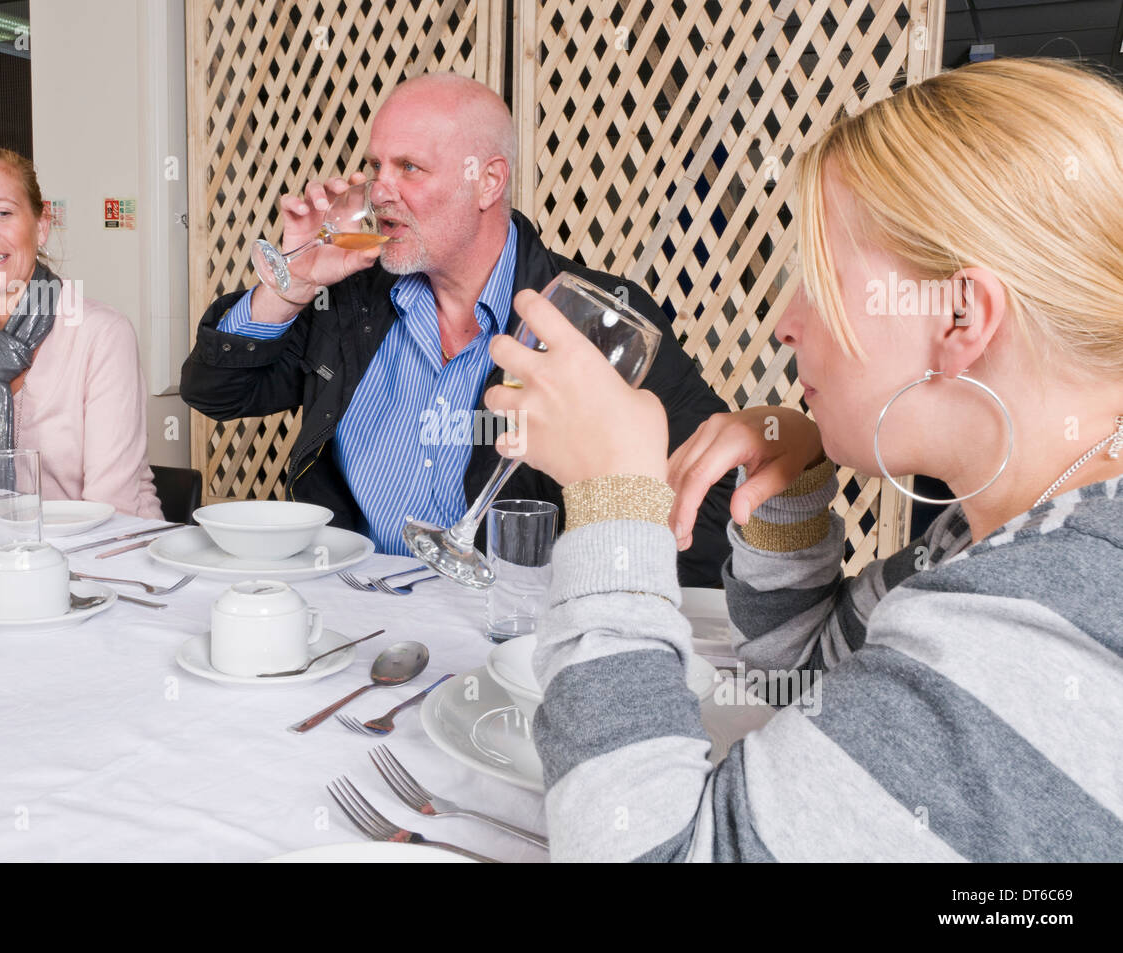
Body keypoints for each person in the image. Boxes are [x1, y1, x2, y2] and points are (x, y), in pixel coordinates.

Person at [484, 57, 1123, 861]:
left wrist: (613, 503)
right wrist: (792, 496)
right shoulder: (1000, 532)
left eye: (820, 281)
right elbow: (815, 682)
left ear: (961, 315)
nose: (787, 322)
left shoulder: (1040, 623)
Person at [179, 73, 733, 586]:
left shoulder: (594, 316)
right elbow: (216, 392)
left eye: (409, 168)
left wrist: (579, 587)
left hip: (509, 632)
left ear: (487, 181)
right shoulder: (347, 297)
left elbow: (711, 501)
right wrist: (291, 285)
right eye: (376, 167)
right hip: (356, 610)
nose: (378, 191)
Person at [0, 144, 162, 519]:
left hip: (110, 550)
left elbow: (113, 507)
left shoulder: (102, 333)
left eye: (3, 213)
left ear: (41, 225)